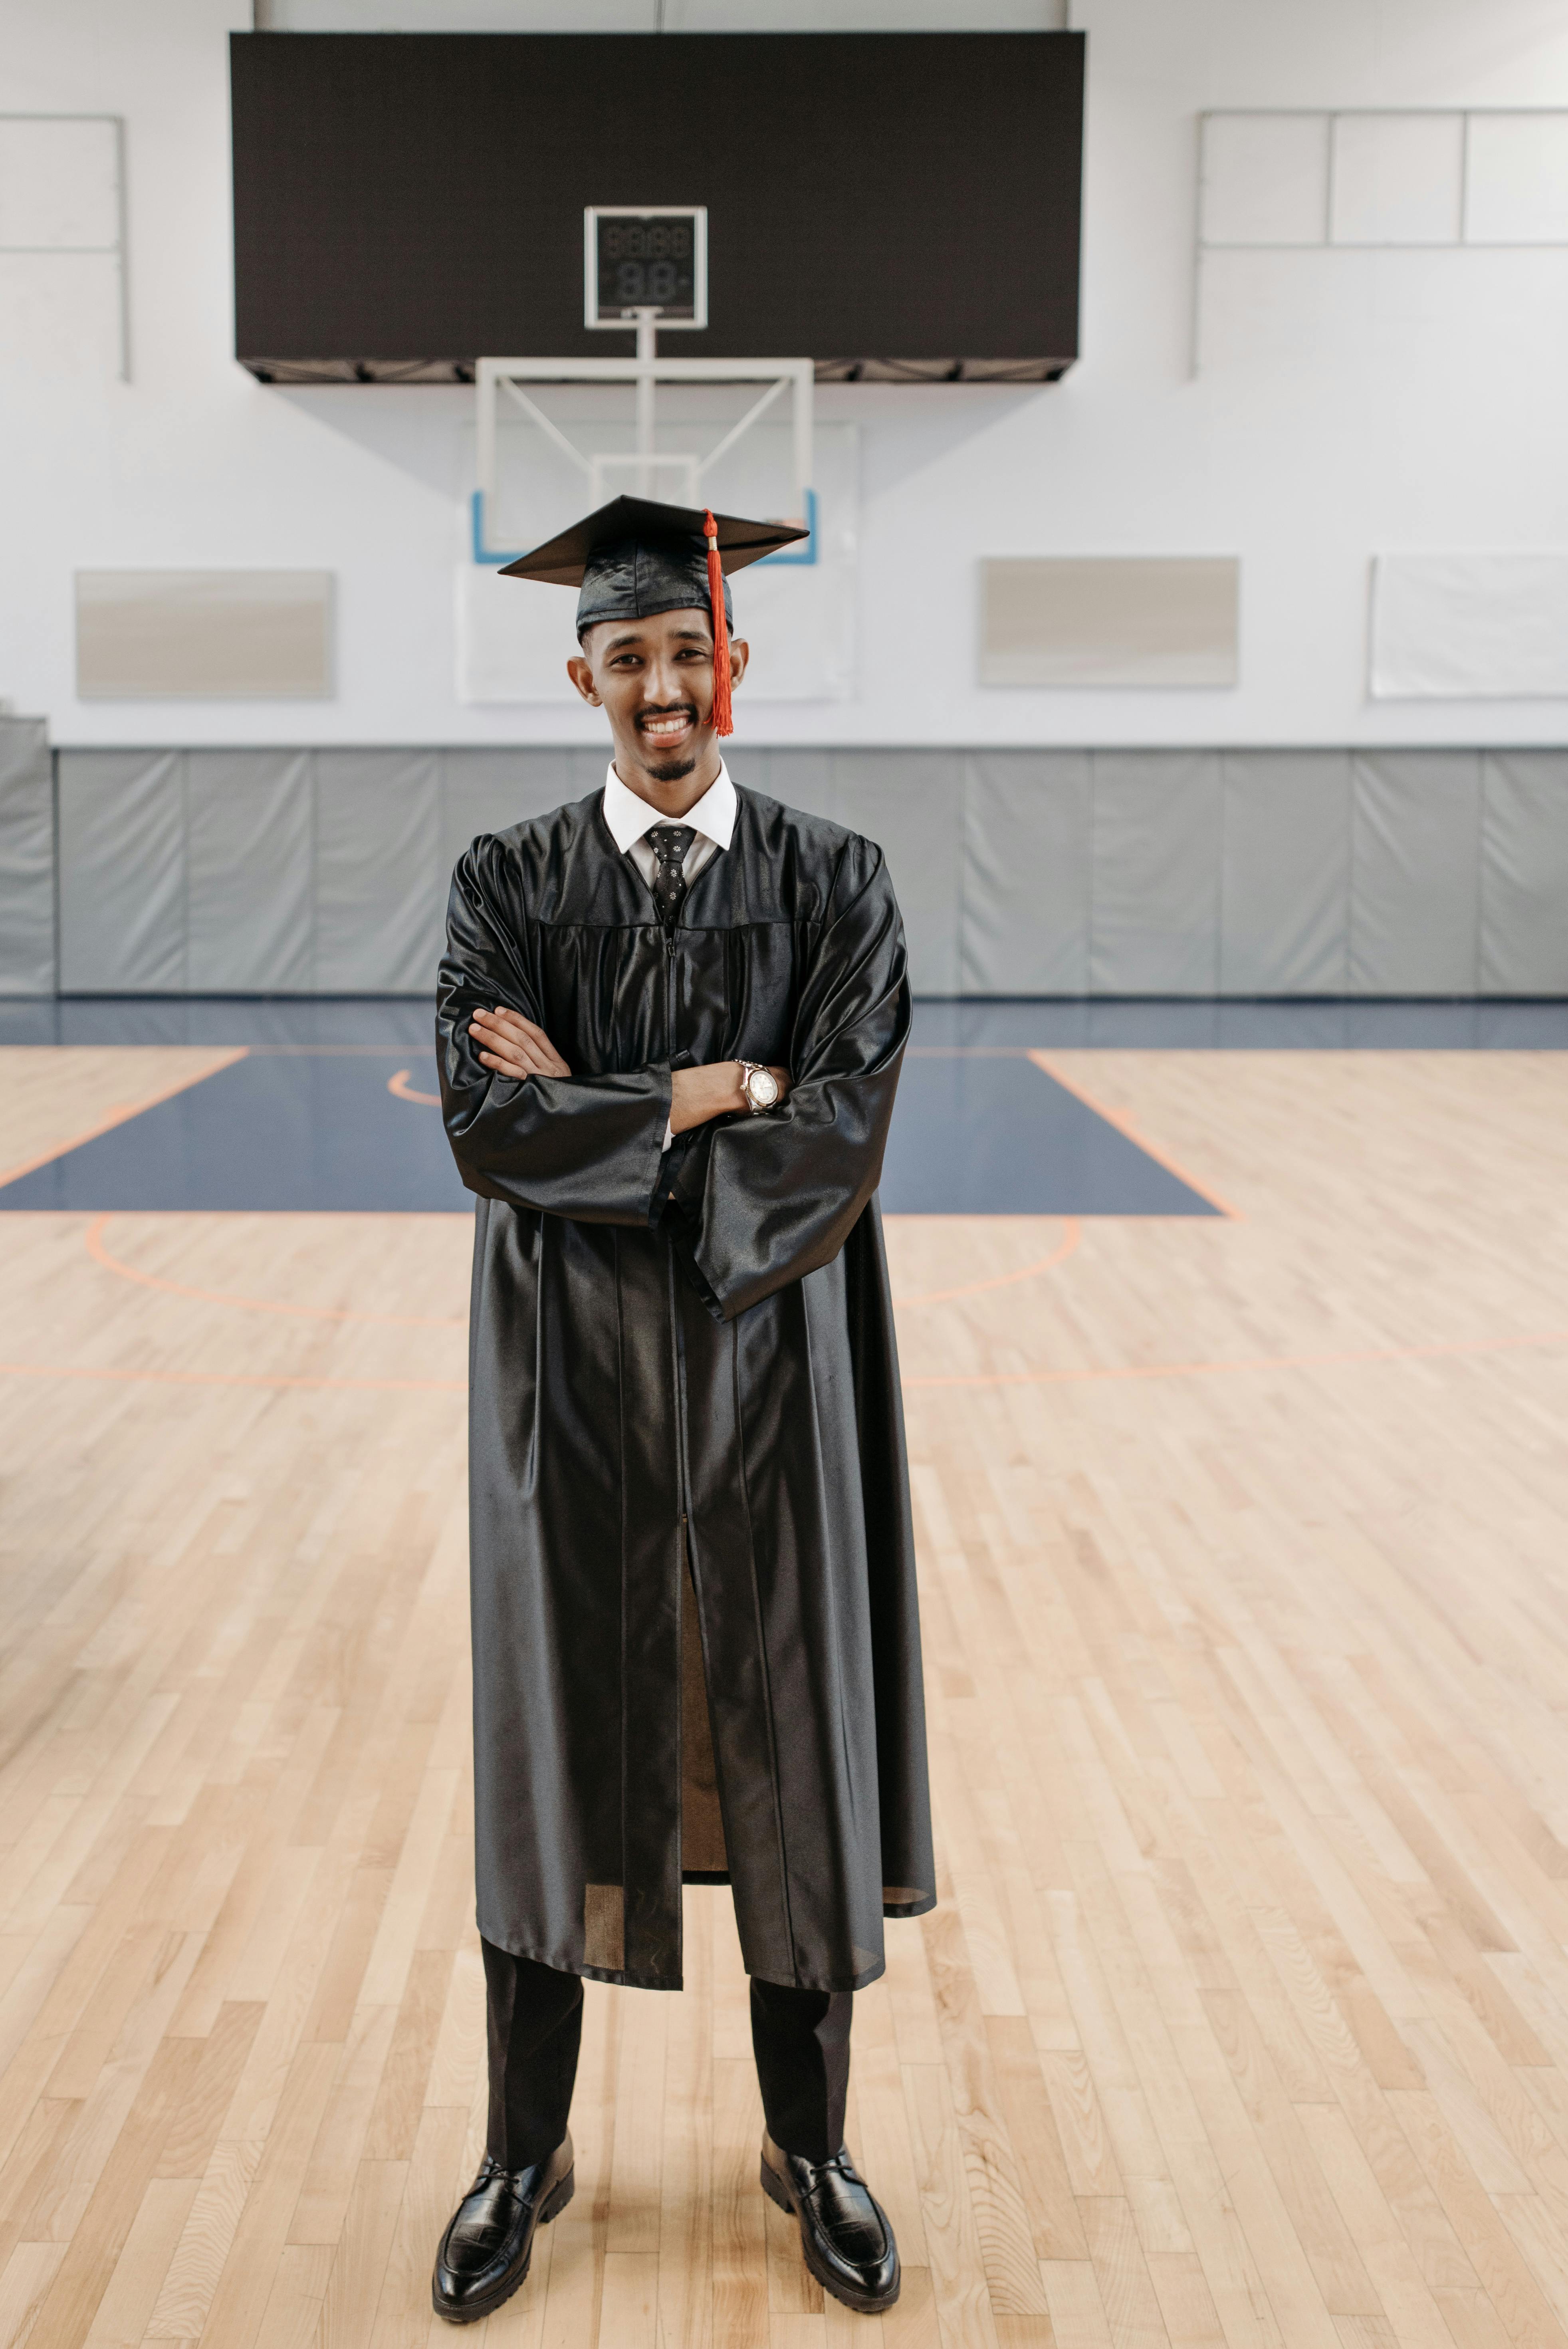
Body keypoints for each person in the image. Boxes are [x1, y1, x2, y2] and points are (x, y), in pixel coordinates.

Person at [431, 493, 934, 2324]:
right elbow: (487, 1129)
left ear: (739, 657)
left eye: (687, 651)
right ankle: (520, 2148)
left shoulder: (835, 881)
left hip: (773, 1367)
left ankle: (811, 2146)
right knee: (553, 1739)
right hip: (561, 1387)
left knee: (789, 1738)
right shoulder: (506, 883)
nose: (665, 686)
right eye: (629, 657)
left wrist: (618, 1114)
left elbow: (838, 1139)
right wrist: (720, 1081)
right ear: (586, 676)